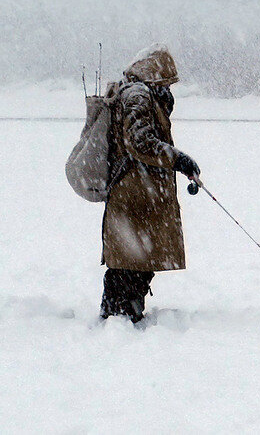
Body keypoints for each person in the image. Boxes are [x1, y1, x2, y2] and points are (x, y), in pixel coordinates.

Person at [99, 44, 201, 324]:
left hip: (141, 191)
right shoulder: (137, 95)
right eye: (166, 81)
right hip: (133, 191)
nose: (169, 88)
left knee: (138, 255)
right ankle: (120, 313)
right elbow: (139, 141)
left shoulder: (138, 93)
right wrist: (178, 159)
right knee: (130, 257)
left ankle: (126, 310)